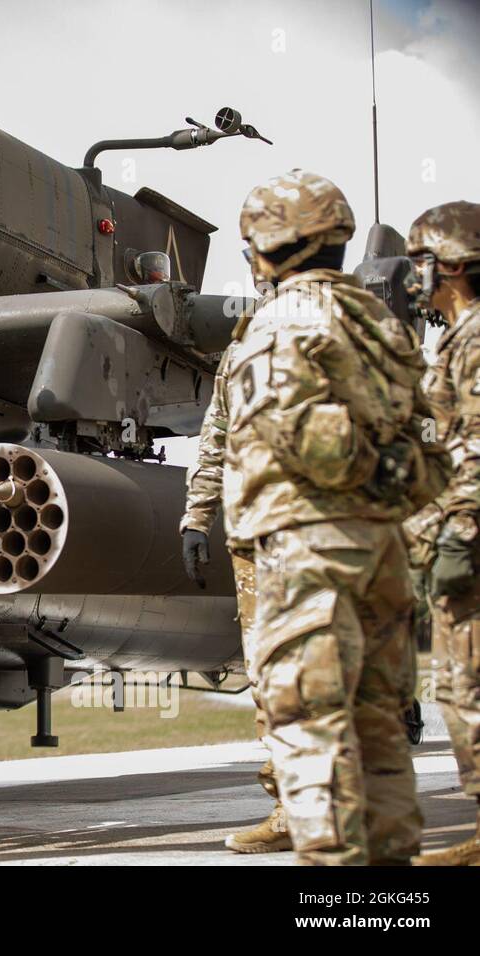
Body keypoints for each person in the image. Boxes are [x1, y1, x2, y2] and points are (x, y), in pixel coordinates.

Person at [222, 170, 447, 865]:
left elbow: (308, 438)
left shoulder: (282, 320)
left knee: (311, 738)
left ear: (266, 246)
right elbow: (426, 438)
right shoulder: (378, 318)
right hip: (382, 554)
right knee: (378, 736)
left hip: (308, 553)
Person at [181, 335, 290, 854]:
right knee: (272, 677)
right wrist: (196, 517)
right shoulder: (247, 341)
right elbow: (218, 430)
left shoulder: (350, 327)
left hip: (325, 535)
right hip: (261, 541)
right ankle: (295, 812)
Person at [402, 200, 480, 866]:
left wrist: (459, 529)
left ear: (452, 264)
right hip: (457, 534)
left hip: (470, 543)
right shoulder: (454, 338)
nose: (415, 276)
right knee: (461, 689)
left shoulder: (477, 338)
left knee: (466, 690)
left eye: (422, 262)